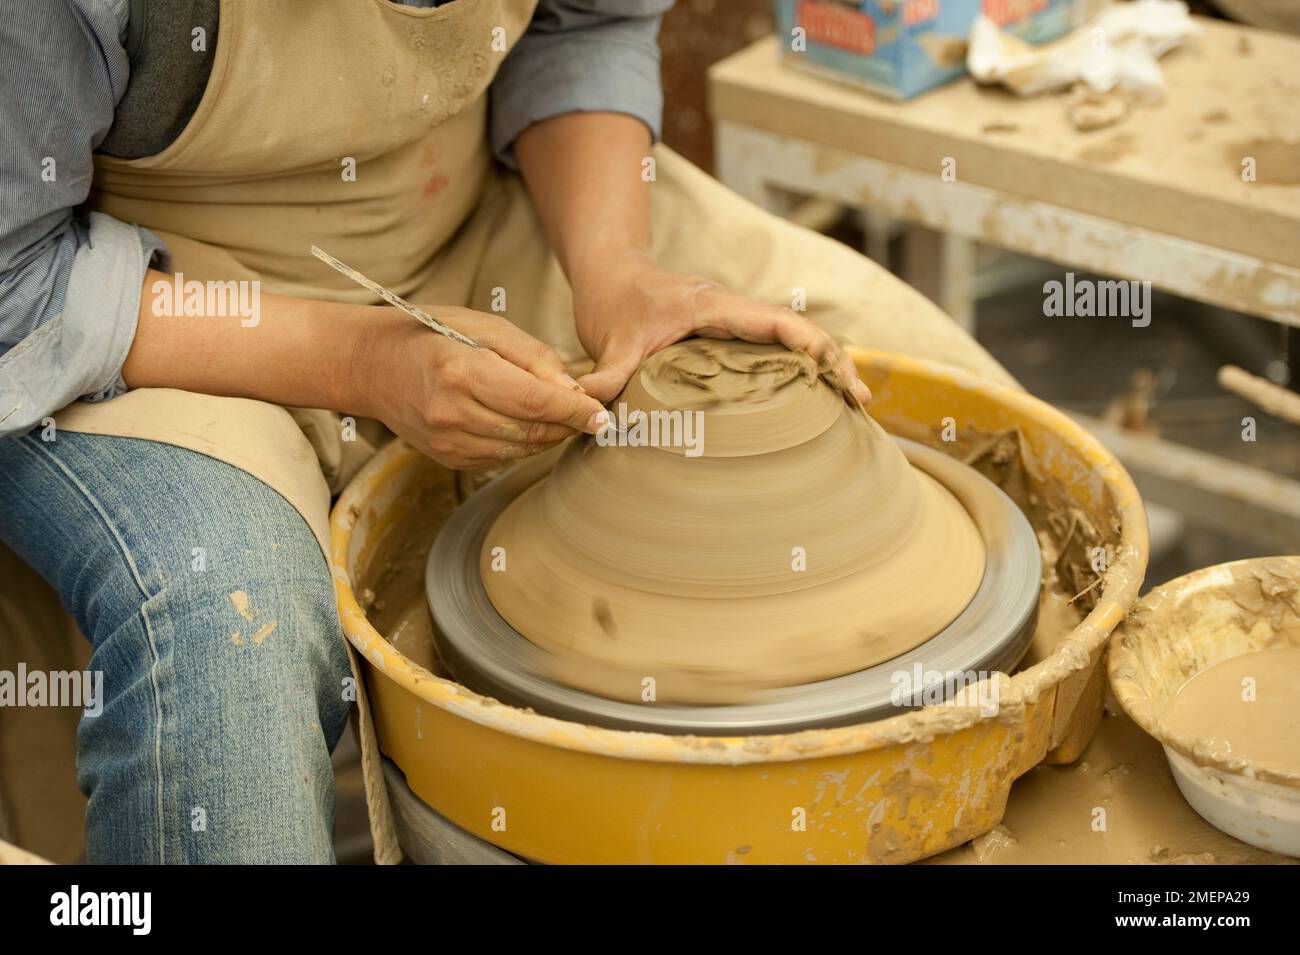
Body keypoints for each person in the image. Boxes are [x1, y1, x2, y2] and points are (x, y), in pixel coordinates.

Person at [0, 0, 1011, 863]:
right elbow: (14, 287)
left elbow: (584, 23)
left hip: (471, 210)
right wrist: (358, 361)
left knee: (946, 398)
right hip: (147, 300)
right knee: (227, 617)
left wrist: (615, 275)